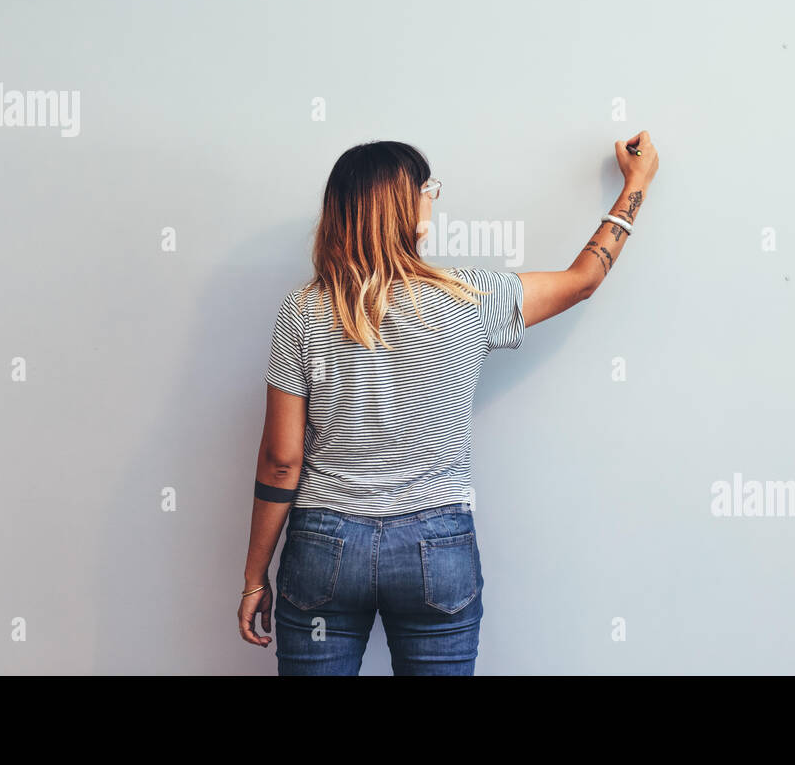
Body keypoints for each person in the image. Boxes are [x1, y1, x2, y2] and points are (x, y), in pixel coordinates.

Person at [238, 132, 660, 674]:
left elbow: (281, 460)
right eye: (427, 188)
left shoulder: (303, 311)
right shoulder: (467, 299)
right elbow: (583, 280)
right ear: (405, 207)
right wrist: (637, 184)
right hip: (434, 548)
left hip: (325, 548)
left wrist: (255, 577)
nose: (432, 200)